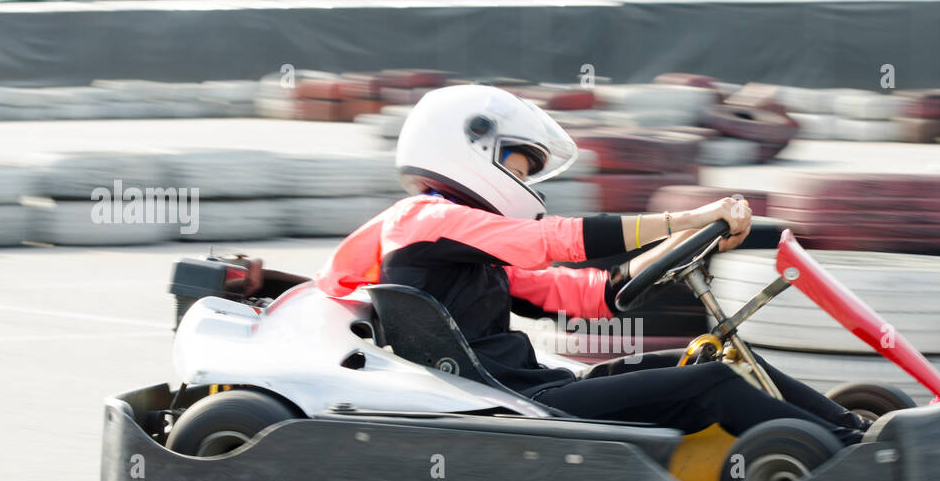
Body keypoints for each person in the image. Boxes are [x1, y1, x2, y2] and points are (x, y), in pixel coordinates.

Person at [316, 84, 866, 444]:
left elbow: (587, 295)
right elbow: (551, 241)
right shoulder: (421, 219)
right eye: (517, 163)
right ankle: (841, 456)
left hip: (535, 385)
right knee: (711, 383)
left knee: (715, 356)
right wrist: (686, 217)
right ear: (467, 147)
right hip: (512, 403)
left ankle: (856, 430)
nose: (524, 180)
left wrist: (692, 243)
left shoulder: (469, 244)